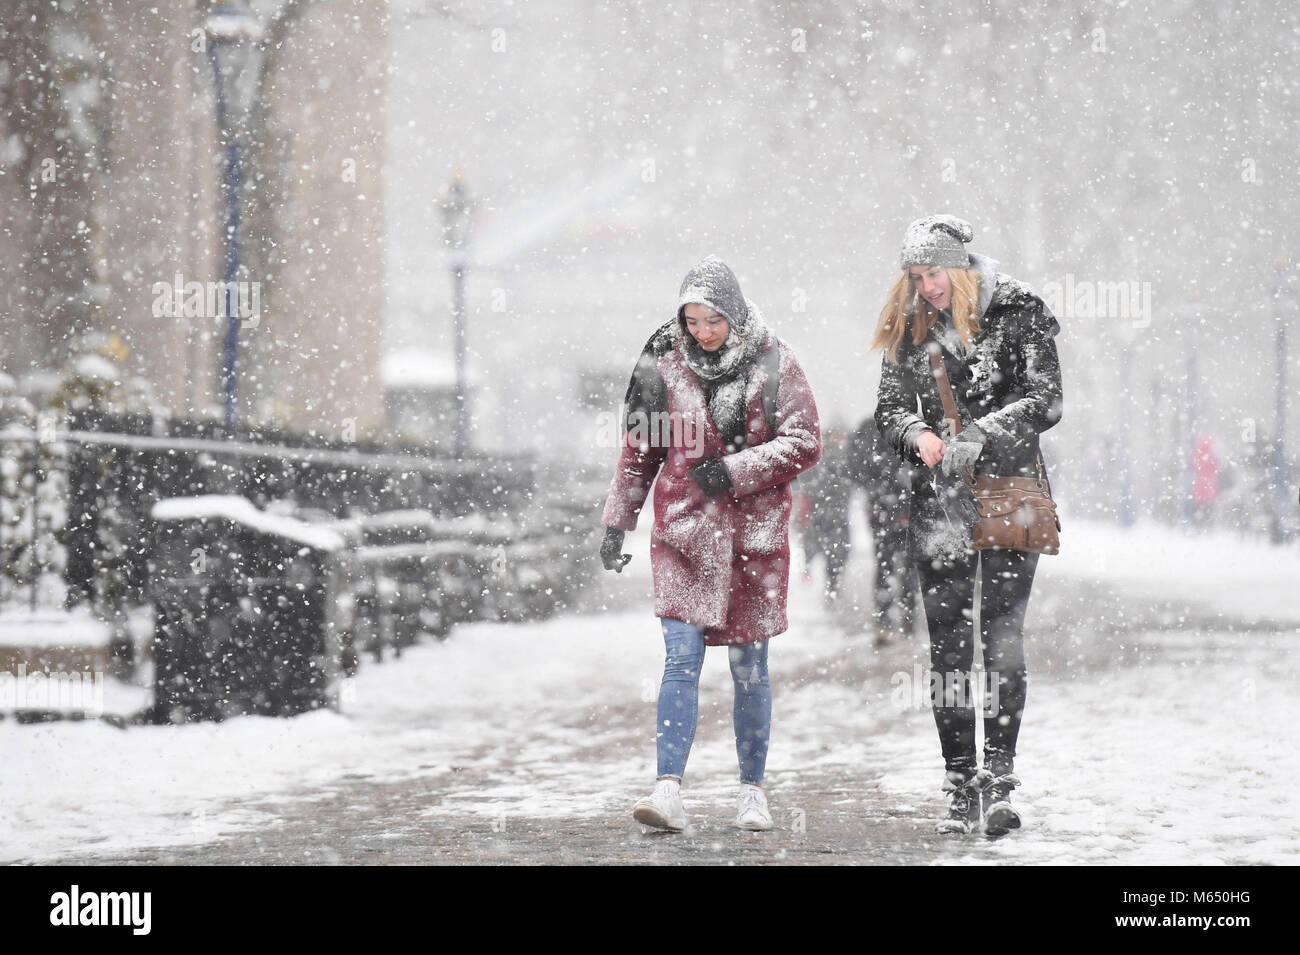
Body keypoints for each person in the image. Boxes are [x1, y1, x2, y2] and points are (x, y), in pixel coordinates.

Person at [600, 255, 822, 833]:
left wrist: (737, 471)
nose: (702, 332)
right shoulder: (662, 365)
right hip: (683, 534)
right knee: (680, 660)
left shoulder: (776, 364)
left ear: (736, 314)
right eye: (692, 320)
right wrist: (618, 520)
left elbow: (805, 442)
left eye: (713, 320)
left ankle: (752, 790)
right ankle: (667, 787)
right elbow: (639, 450)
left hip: (754, 540)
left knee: (751, 668)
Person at [871, 215, 1063, 836]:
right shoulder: (911, 323)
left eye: (934, 274)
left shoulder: (1019, 309)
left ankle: (1000, 779)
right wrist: (915, 433)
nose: (926, 287)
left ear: (959, 266)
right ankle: (959, 782)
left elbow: (1047, 399)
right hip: (941, 500)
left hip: (1012, 491)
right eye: (916, 276)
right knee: (950, 646)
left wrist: (983, 432)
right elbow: (889, 408)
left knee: (1003, 638)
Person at [846, 415, 920, 645]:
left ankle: (889, 621)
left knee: (889, 563)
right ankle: (901, 620)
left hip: (887, 508)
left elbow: (854, 467)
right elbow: (855, 466)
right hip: (895, 507)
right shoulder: (913, 424)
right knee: (903, 564)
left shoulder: (870, 427)